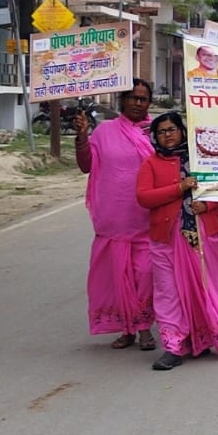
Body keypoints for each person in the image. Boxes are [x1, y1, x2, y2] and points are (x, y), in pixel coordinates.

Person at [135, 111, 218, 370]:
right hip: (165, 239)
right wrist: (179, 188)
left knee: (207, 288)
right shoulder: (151, 163)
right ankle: (173, 346)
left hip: (206, 238)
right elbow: (144, 198)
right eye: (161, 132)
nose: (167, 135)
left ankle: (202, 337)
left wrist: (209, 205)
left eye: (171, 129)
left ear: (182, 131)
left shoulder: (204, 159)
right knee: (168, 293)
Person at [74, 78, 157, 352]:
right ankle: (129, 329)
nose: (137, 102)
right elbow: (87, 166)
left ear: (149, 103)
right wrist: (82, 137)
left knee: (145, 274)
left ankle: (144, 325)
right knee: (117, 276)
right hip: (113, 220)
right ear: (123, 100)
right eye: (132, 97)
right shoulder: (104, 132)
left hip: (149, 219)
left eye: (143, 98)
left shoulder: (156, 131)